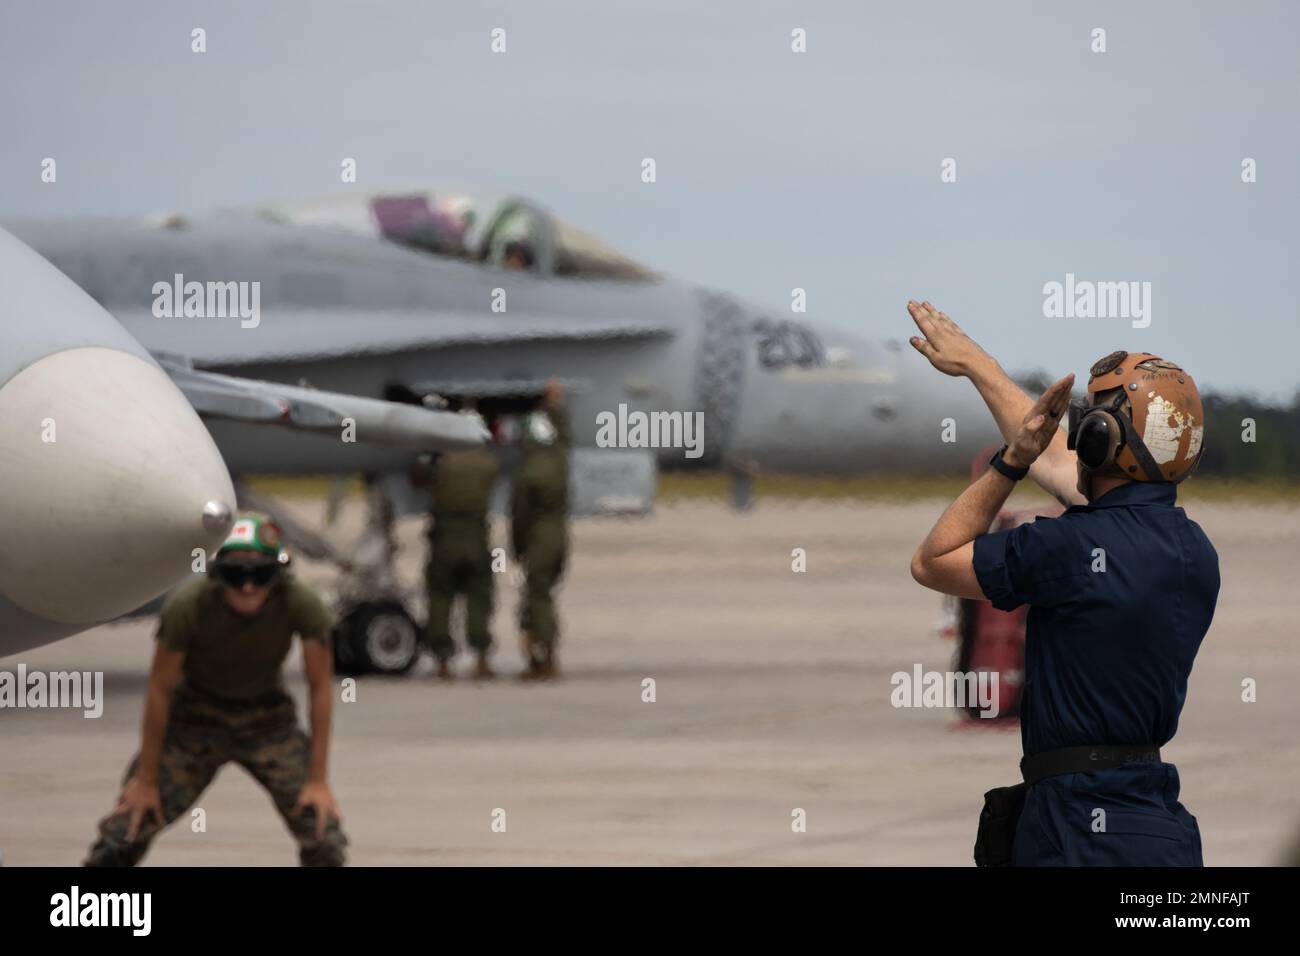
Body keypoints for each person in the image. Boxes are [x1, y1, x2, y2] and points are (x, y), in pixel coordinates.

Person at [906, 300, 1219, 867]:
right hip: (1157, 827)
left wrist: (1008, 463)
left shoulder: (1067, 548)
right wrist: (982, 367)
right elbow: (1072, 474)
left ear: (1101, 440)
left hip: (1076, 832)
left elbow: (935, 561)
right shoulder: (1194, 551)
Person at [84, 513, 347, 866]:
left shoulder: (302, 603)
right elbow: (160, 689)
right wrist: (146, 779)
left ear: (279, 575)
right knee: (125, 830)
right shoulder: (188, 606)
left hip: (266, 723)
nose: (249, 587)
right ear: (217, 574)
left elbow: (320, 689)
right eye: (236, 575)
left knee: (322, 833)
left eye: (261, 575)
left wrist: (318, 780)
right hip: (194, 720)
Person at [424, 443, 502, 680]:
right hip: (475, 539)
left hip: (445, 540)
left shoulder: (441, 462)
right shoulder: (486, 462)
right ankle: (481, 659)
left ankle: (443, 662)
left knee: (440, 598)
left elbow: (419, 476)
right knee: (479, 598)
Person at [510, 380, 571, 679]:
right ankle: (545, 656)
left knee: (537, 598)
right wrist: (554, 403)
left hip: (538, 540)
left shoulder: (528, 473)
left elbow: (519, 516)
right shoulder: (559, 460)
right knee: (545, 594)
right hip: (559, 538)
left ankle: (545, 660)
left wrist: (517, 548)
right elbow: (565, 437)